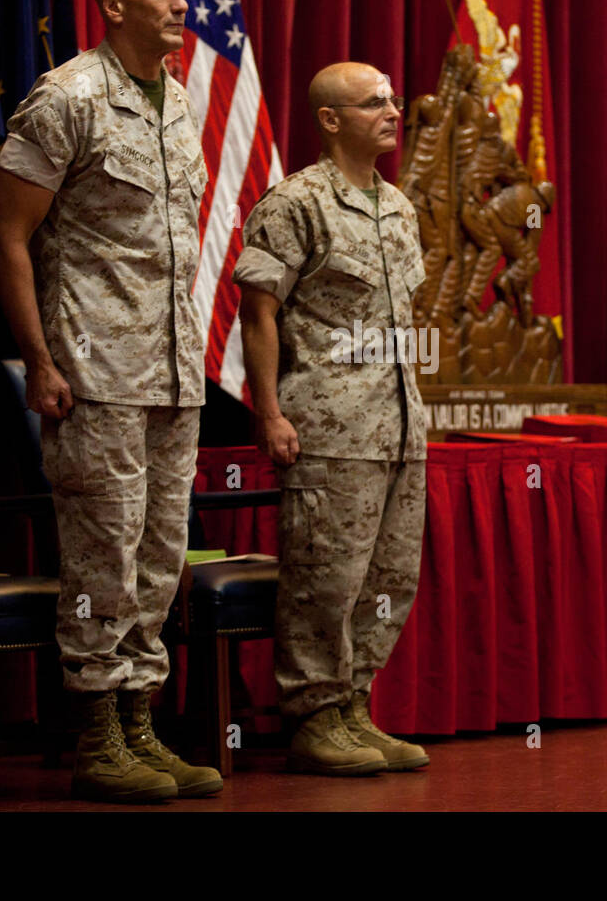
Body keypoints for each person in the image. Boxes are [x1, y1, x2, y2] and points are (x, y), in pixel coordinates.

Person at [0, 0, 221, 803]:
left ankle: (140, 724)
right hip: (93, 370)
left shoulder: (182, 102)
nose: (179, 1)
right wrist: (40, 360)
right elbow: (10, 238)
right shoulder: (66, 99)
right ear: (113, 5)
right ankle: (95, 733)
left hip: (172, 371)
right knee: (103, 559)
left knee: (160, 556)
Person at [234, 62, 430, 776]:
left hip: (400, 428)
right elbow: (258, 312)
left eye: (391, 100)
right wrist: (270, 411)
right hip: (328, 425)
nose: (391, 111)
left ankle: (354, 706)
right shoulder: (295, 204)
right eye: (372, 102)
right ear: (329, 119)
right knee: (327, 578)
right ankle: (314, 715)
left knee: (388, 579)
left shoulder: (399, 207)